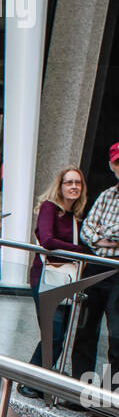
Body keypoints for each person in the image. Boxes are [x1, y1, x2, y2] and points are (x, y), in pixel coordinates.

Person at [18, 167, 89, 396]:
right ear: (60, 186)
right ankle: (28, 381)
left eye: (78, 183)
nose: (74, 186)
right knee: (54, 333)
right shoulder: (49, 208)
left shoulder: (75, 218)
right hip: (46, 279)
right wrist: (80, 251)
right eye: (69, 182)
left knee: (59, 335)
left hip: (66, 281)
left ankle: (40, 381)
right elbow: (47, 240)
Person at [74, 142, 119, 380]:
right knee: (85, 330)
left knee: (117, 336)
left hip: (118, 271)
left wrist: (104, 233)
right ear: (112, 166)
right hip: (95, 267)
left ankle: (113, 397)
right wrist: (106, 240)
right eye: (118, 162)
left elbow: (102, 231)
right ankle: (79, 391)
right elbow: (86, 231)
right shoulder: (106, 195)